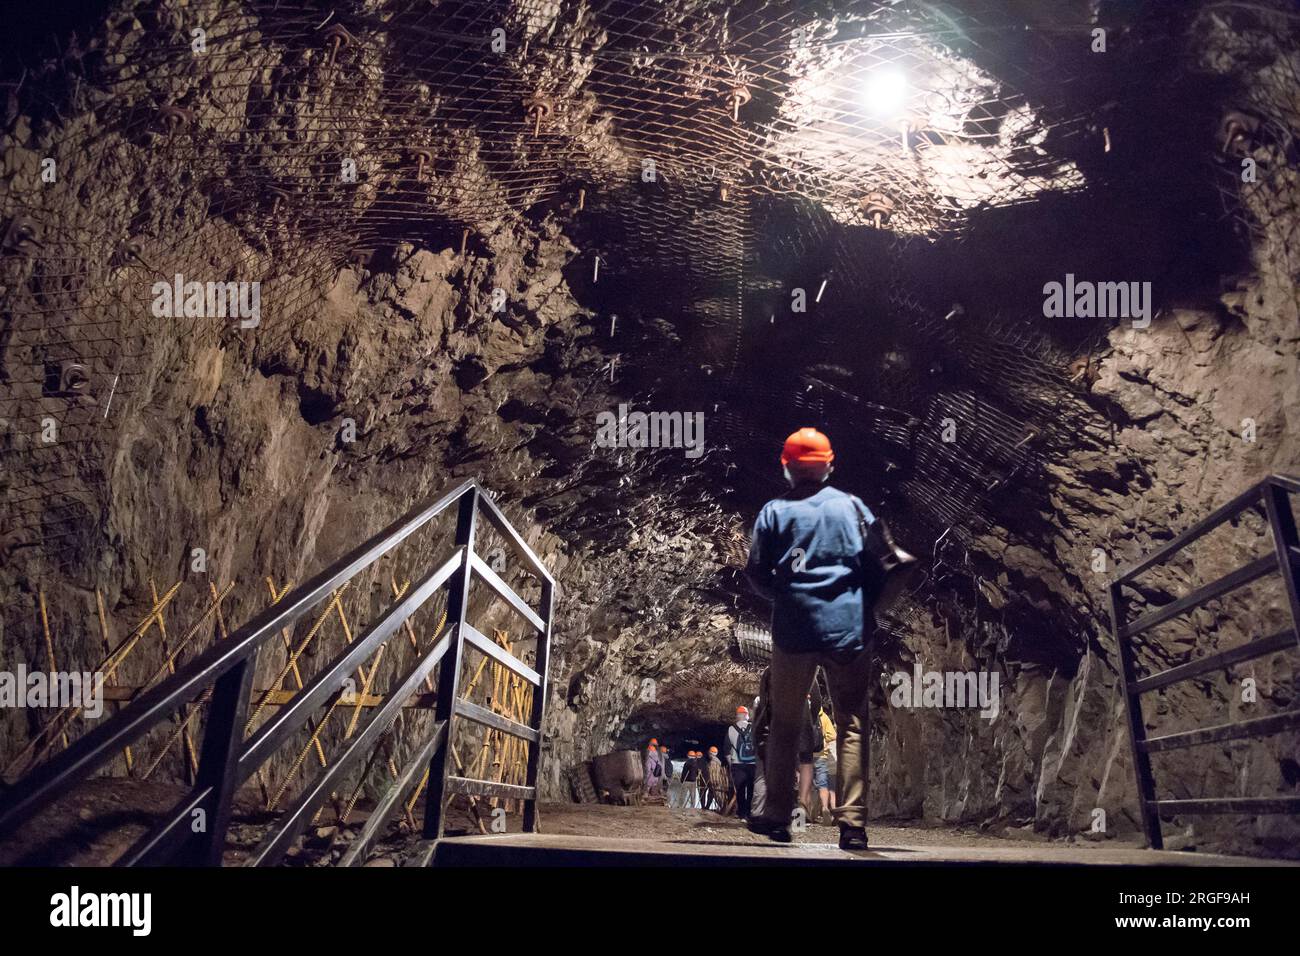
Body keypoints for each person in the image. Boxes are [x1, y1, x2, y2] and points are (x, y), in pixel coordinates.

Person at [743, 427, 874, 850]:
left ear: (787, 468)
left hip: (796, 629)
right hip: (848, 628)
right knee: (851, 722)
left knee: (785, 723)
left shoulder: (774, 512)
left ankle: (778, 817)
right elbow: (879, 560)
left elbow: (757, 573)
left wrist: (787, 593)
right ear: (829, 466)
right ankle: (852, 825)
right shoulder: (852, 506)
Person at [725, 706, 757, 819]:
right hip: (752, 764)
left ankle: (742, 813)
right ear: (747, 715)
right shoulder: (754, 728)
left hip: (737, 764)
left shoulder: (731, 729)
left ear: (738, 715)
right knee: (751, 789)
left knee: (740, 789)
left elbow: (727, 750)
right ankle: (749, 813)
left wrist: (731, 764)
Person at [815, 704, 837, 822]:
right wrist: (824, 740)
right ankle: (825, 807)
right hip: (821, 755)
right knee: (824, 784)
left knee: (805, 784)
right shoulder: (823, 717)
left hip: (804, 756)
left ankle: (807, 814)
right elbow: (833, 736)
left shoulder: (801, 713)